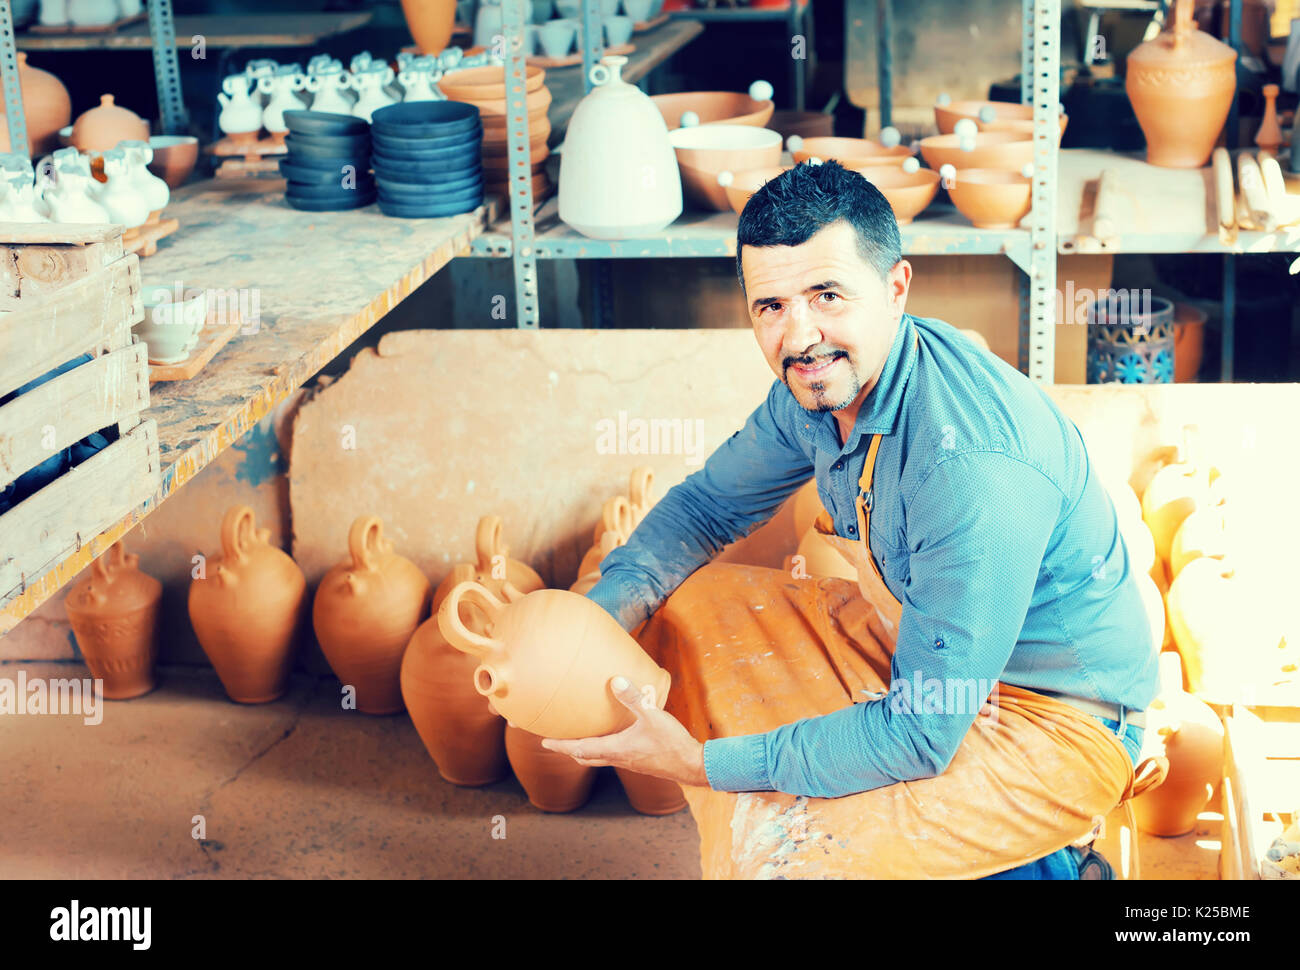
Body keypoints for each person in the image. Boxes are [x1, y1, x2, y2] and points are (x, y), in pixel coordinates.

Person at [543, 160, 1161, 879]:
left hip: (1057, 719)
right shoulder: (819, 386)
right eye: (770, 306)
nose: (799, 337)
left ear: (896, 287)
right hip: (929, 650)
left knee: (792, 855)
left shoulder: (967, 467)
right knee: (687, 600)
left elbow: (922, 730)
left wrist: (704, 763)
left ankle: (1044, 863)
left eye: (826, 296)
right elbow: (708, 506)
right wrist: (593, 621)